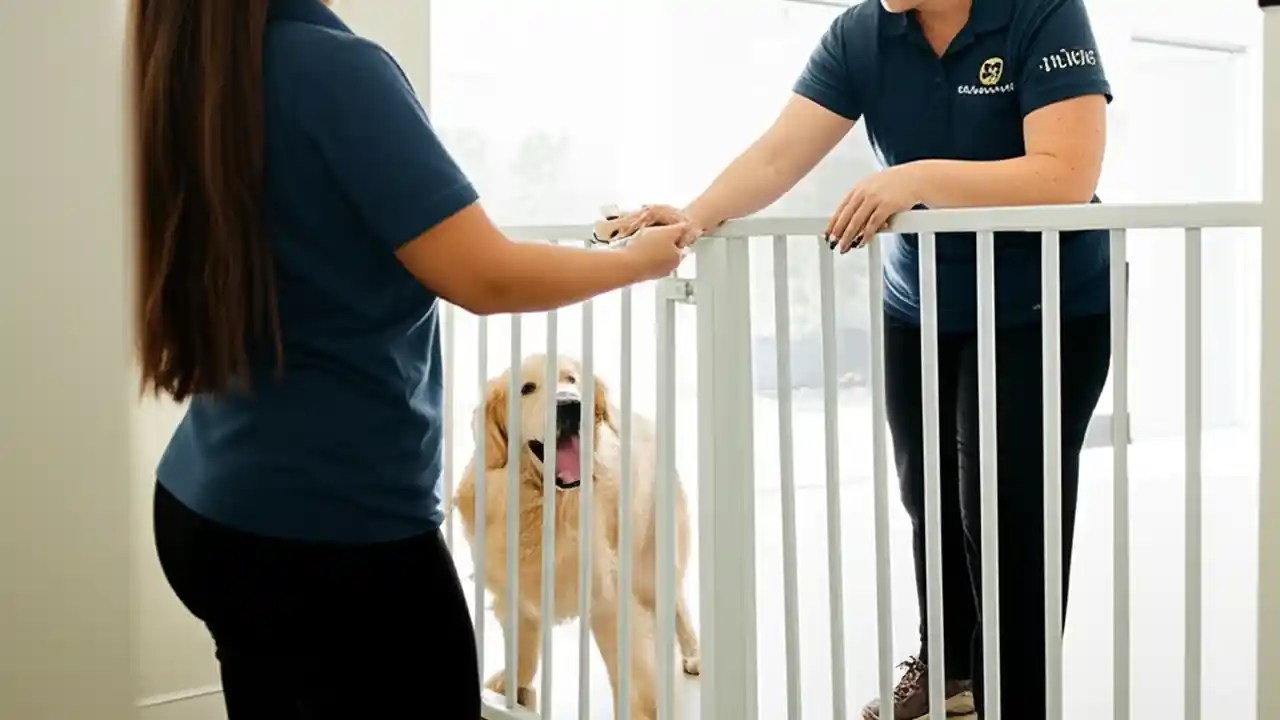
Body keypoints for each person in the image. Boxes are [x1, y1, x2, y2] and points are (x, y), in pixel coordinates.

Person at [131, 1, 690, 717]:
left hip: (205, 505)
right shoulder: (336, 70)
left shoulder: (197, 70)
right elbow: (483, 274)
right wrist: (639, 262)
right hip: (332, 529)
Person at [600, 0, 1113, 716]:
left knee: (1009, 515)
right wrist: (692, 215)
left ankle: (1016, 698)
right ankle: (953, 673)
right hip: (923, 303)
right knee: (927, 494)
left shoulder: (1040, 12)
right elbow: (779, 153)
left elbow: (1064, 175)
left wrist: (914, 179)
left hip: (1044, 307)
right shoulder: (862, 33)